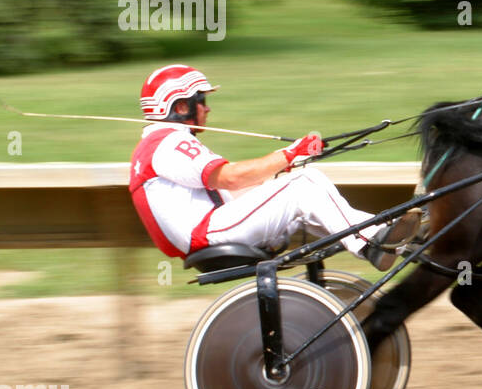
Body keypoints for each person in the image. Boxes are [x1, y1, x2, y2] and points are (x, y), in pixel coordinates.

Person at [129, 64, 415, 270]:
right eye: (201, 100)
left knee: (306, 195)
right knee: (305, 183)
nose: (207, 108)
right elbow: (231, 178)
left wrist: (281, 169)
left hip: (210, 230)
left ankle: (388, 237)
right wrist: (289, 154)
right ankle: (370, 243)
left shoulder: (161, 145)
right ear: (180, 107)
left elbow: (228, 190)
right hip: (210, 234)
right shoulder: (167, 142)